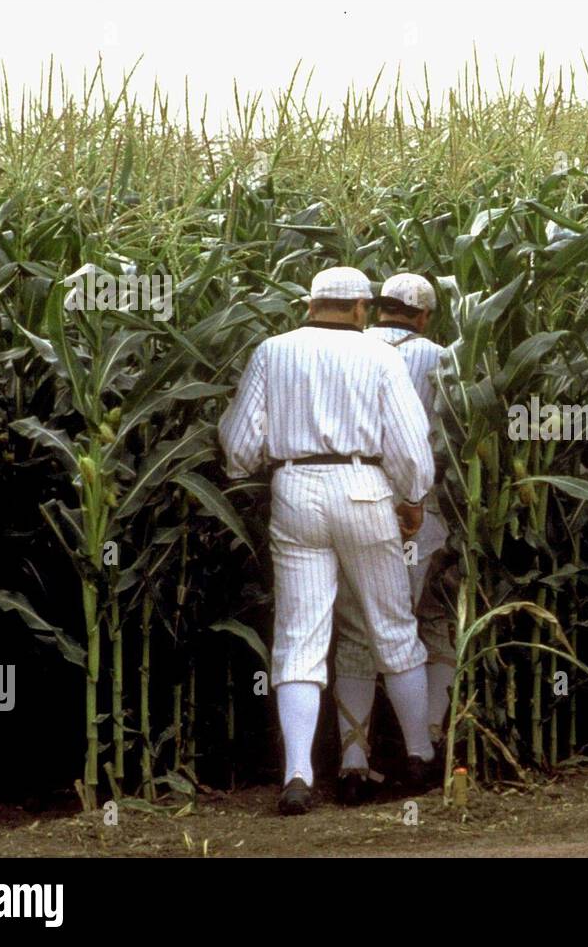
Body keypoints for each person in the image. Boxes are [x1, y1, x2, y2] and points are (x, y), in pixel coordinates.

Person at [218, 266, 437, 815]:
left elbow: (240, 443)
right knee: (391, 624)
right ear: (362, 308)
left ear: (310, 304)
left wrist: (255, 463)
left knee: (299, 633)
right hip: (365, 486)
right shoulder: (381, 357)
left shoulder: (273, 350)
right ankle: (418, 756)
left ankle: (297, 776)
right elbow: (410, 447)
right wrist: (411, 497)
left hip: (295, 487)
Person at [332, 272, 455, 805]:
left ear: (375, 308)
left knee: (359, 635)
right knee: (429, 623)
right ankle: (423, 746)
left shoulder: (342, 350)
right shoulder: (440, 359)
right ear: (423, 316)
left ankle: (354, 761)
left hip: (351, 505)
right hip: (419, 516)